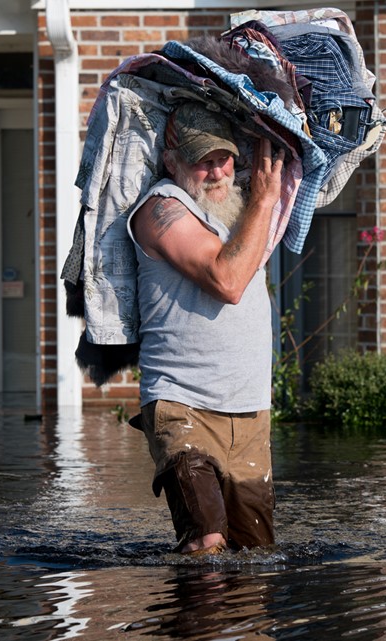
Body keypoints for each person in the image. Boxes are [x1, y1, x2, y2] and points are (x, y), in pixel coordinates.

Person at [126, 102, 285, 555]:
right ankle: (193, 624)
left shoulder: (238, 213)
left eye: (224, 158)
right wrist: (265, 200)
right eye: (202, 161)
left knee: (254, 555)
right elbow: (227, 281)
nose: (216, 172)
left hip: (250, 412)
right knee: (206, 542)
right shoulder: (161, 209)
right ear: (171, 162)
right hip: (184, 406)